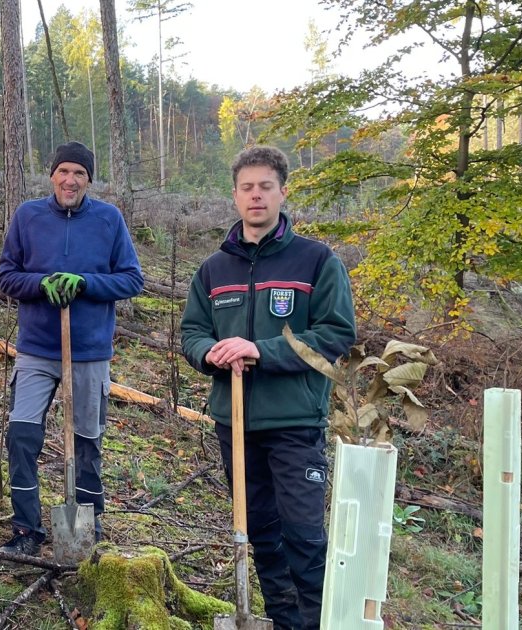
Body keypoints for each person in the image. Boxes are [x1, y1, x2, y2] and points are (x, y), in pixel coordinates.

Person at [180, 146, 356, 629]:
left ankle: (318, 621)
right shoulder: (214, 269)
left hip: (294, 422)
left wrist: (260, 350)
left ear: (282, 191)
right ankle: (282, 619)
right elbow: (192, 332)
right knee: (259, 529)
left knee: (303, 533)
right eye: (246, 188)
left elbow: (336, 334)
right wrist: (208, 353)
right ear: (234, 195)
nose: (255, 196)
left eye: (265, 187)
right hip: (233, 422)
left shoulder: (316, 261)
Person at [0, 141, 143, 557]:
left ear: (89, 180)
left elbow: (132, 279)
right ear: (52, 175)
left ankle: (86, 527)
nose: (70, 180)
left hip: (90, 351)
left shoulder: (109, 220)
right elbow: (6, 275)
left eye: (79, 173)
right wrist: (41, 284)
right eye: (63, 171)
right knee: (22, 435)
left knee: (86, 441)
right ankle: (26, 529)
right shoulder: (28, 217)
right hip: (37, 349)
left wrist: (86, 283)